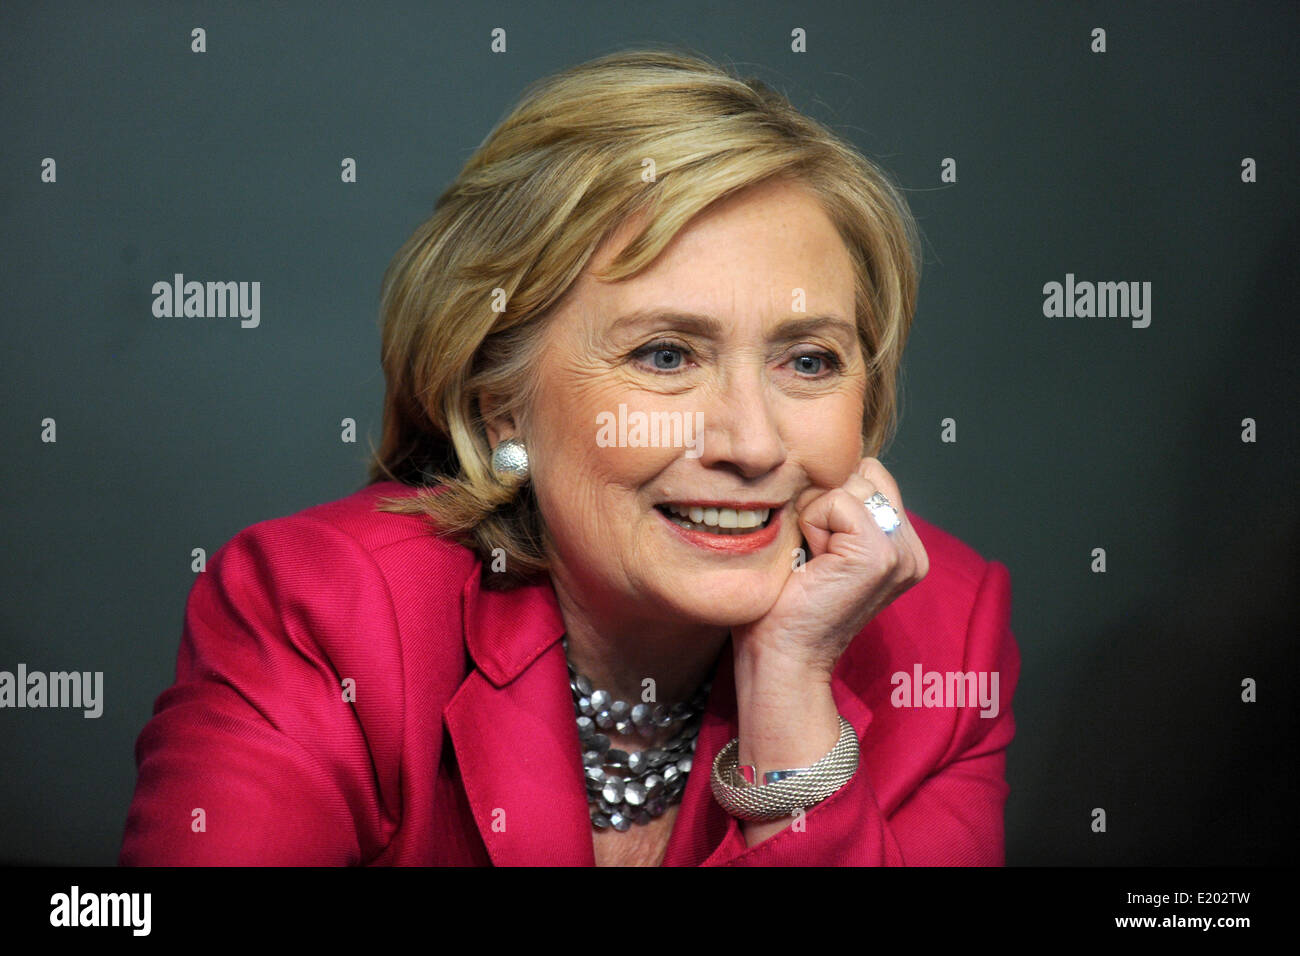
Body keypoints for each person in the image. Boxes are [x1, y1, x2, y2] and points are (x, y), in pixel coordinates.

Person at [119, 47, 1020, 866]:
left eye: (809, 361)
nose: (751, 444)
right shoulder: (325, 613)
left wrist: (792, 692)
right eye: (665, 356)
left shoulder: (944, 645)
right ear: (498, 401)